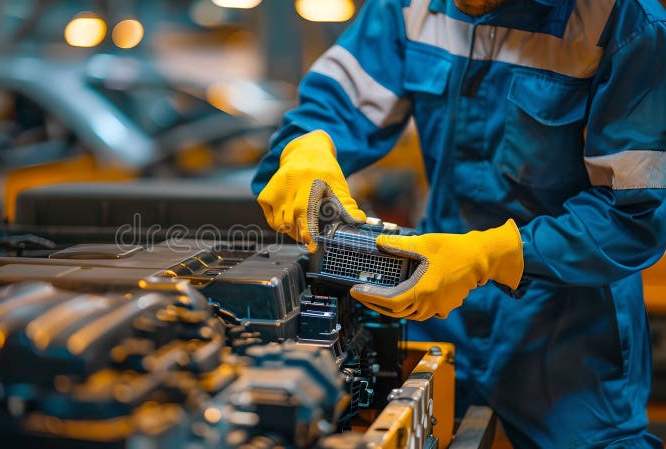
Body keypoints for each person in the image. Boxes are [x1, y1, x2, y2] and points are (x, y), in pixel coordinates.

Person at [251, 0, 666, 447]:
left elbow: (634, 214)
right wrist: (308, 145)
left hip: (568, 328)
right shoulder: (407, 6)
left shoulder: (624, 21)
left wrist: (488, 256)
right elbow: (334, 105)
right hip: (436, 296)